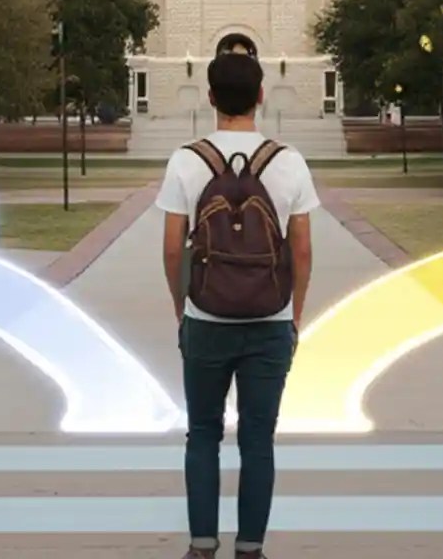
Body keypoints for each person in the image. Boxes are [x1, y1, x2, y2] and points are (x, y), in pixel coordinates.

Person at [156, 47, 319, 559]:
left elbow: (170, 247)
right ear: (261, 97)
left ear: (210, 98)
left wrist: (182, 308)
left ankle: (202, 544)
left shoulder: (187, 160)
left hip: (206, 317)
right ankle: (250, 548)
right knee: (258, 440)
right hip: (269, 320)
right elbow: (303, 249)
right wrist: (294, 315)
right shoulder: (288, 162)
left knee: (202, 433)